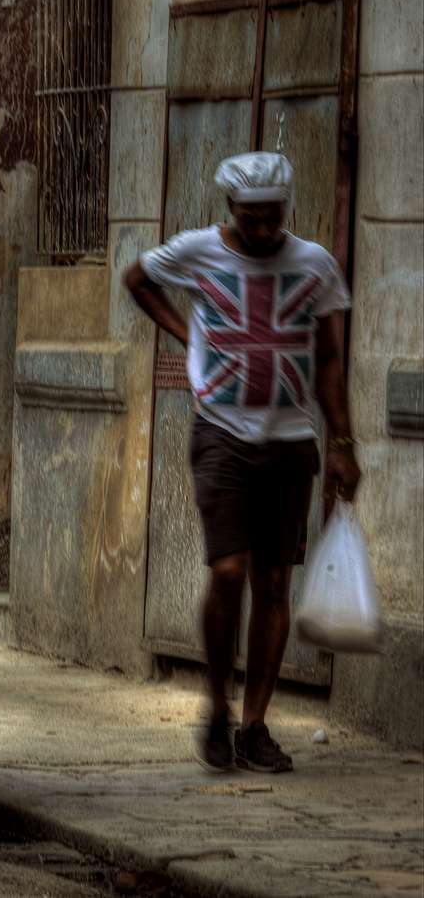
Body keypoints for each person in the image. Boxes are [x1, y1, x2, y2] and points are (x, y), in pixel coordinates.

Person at [123, 152, 360, 774]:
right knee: (228, 570)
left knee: (273, 582)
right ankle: (216, 707)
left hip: (291, 442)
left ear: (286, 209)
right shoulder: (198, 250)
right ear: (230, 210)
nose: (262, 229)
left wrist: (342, 444)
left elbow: (329, 360)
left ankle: (254, 726)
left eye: (272, 217)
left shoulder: (315, 264)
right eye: (250, 218)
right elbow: (137, 279)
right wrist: (186, 334)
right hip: (221, 433)